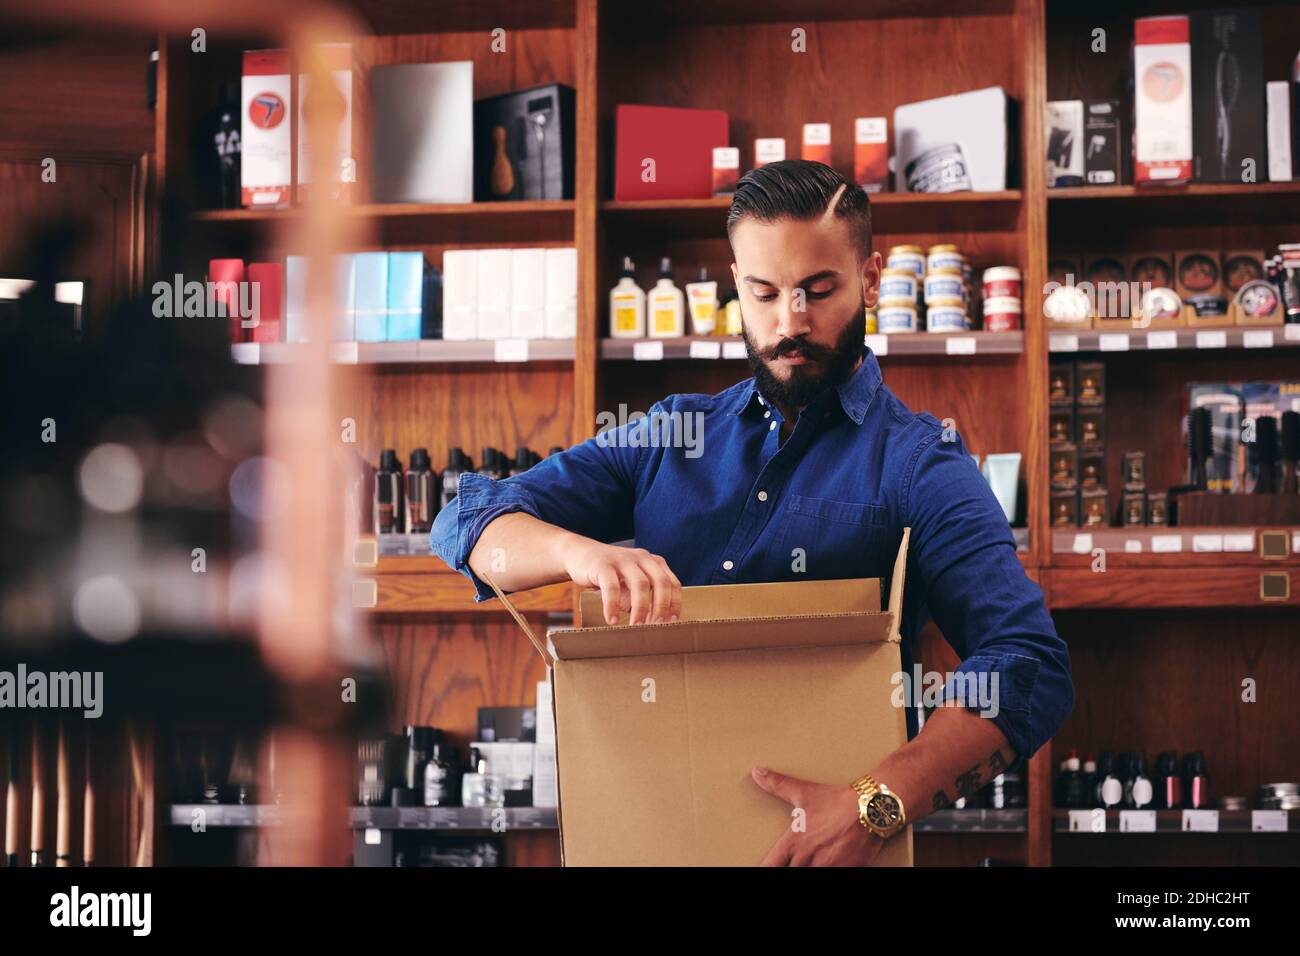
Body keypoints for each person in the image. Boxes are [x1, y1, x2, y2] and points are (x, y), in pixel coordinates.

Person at [431, 159, 1073, 866]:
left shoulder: (920, 462)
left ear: (870, 277)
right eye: (764, 293)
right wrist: (578, 553)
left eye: (817, 290)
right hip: (653, 838)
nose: (789, 322)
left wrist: (872, 806)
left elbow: (1030, 667)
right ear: (737, 284)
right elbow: (464, 521)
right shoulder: (671, 436)